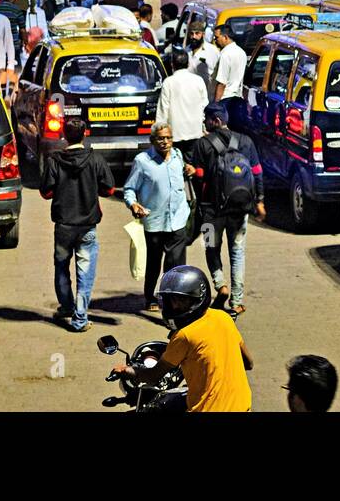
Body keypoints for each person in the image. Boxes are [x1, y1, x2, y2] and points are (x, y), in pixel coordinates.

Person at [112, 265, 254, 412]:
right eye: (171, 300)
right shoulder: (223, 317)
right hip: (243, 406)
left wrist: (129, 370)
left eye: (180, 301)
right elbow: (248, 363)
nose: (174, 306)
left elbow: (153, 377)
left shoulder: (184, 335)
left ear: (198, 298)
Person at [186, 102, 265, 315]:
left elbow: (199, 175)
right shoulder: (246, 141)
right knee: (237, 251)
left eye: (207, 118)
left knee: (211, 247)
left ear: (217, 121)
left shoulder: (202, 145)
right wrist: (259, 201)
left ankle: (220, 285)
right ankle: (237, 301)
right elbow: (257, 172)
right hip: (239, 210)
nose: (204, 122)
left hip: (211, 211)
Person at [40, 117, 115, 333]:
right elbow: (109, 189)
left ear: (64, 135)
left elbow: (46, 192)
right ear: (85, 134)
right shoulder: (96, 159)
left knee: (61, 267)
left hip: (63, 225)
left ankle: (66, 306)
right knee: (85, 272)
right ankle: (80, 318)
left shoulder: (54, 160)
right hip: (88, 225)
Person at [123, 123, 192, 310]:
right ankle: (150, 296)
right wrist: (133, 203)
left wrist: (189, 170)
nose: (165, 142)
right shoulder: (142, 161)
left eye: (168, 138)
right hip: (154, 222)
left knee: (176, 264)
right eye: (161, 138)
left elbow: (183, 174)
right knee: (154, 263)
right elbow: (129, 189)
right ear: (152, 140)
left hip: (178, 219)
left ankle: (172, 300)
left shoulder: (177, 155)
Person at [155, 49, 208, 159]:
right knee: (192, 167)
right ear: (188, 64)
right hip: (195, 132)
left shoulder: (168, 82)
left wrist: (159, 135)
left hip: (175, 135)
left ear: (172, 64)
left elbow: (162, 112)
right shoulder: (198, 80)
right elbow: (205, 106)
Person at [211, 23, 247, 103]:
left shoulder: (225, 54)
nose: (215, 40)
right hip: (237, 98)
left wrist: (216, 105)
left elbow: (222, 83)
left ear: (225, 37)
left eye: (216, 37)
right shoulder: (241, 52)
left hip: (225, 99)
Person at [187, 20, 220, 97]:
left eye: (197, 33)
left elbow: (217, 74)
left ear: (203, 34)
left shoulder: (212, 51)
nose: (194, 37)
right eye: (191, 34)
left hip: (207, 96)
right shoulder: (186, 51)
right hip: (190, 95)